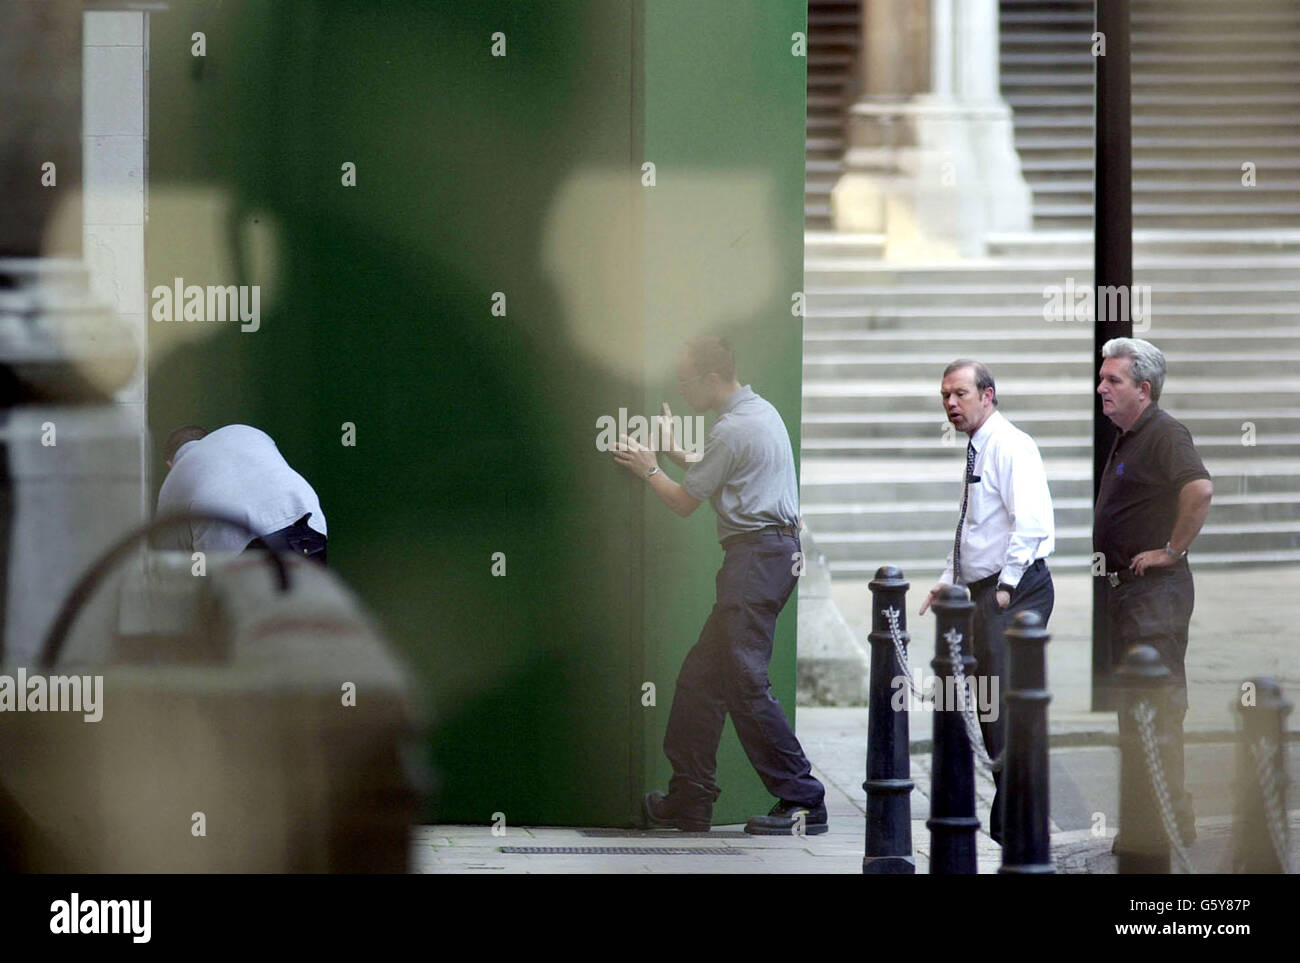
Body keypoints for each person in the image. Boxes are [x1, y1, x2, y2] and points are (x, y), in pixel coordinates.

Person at [612, 336, 826, 836]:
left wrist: (649, 469)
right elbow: (721, 469)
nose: (681, 389)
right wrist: (675, 453)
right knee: (701, 681)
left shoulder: (733, 428)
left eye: (686, 381)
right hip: (767, 557)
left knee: (745, 681)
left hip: (755, 560)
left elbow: (685, 502)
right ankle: (690, 800)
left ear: (712, 379)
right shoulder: (756, 414)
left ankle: (804, 800)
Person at [919, 360, 1055, 845]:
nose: (951, 404)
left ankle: (1018, 822)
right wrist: (948, 579)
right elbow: (976, 527)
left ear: (988, 395)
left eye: (960, 394)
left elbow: (1031, 522)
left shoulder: (1011, 445)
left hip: (1013, 589)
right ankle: (1011, 820)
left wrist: (1004, 586)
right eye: (945, 397)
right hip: (987, 588)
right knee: (992, 708)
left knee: (1003, 708)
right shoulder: (981, 446)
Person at [1094, 338, 1212, 845]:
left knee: (1157, 707)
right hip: (1130, 597)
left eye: (1113, 380)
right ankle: (1154, 818)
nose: (1101, 388)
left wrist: (1173, 549)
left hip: (1155, 596)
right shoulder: (1129, 433)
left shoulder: (1165, 432)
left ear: (1143, 389)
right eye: (1102, 378)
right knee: (1138, 708)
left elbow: (1200, 488)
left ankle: (1161, 823)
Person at [155, 424, 328, 564]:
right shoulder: (245, 432)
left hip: (239, 549)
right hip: (305, 520)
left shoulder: (175, 477)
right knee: (310, 602)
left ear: (170, 464)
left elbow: (170, 562)